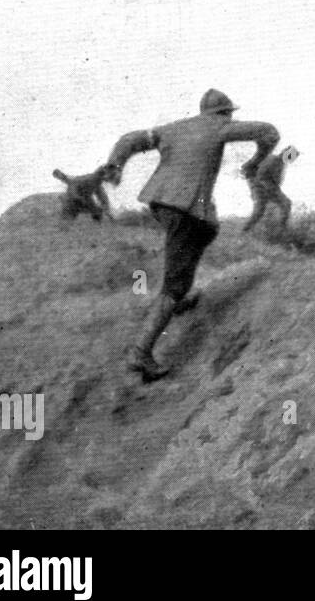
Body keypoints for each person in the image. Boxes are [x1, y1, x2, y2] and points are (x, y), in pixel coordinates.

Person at [106, 89, 279, 382]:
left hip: (161, 203)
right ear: (224, 112)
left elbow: (130, 140)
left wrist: (116, 165)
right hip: (184, 210)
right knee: (174, 284)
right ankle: (141, 352)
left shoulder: (174, 128)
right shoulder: (221, 125)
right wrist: (256, 160)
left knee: (209, 226)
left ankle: (181, 291)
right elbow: (269, 132)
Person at [243, 146, 297, 233]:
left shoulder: (281, 163)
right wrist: (269, 190)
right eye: (291, 156)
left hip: (270, 187)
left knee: (286, 204)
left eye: (293, 157)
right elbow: (261, 176)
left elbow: (276, 180)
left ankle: (281, 230)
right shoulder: (272, 160)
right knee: (260, 210)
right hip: (261, 187)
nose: (292, 159)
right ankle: (245, 231)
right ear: (285, 153)